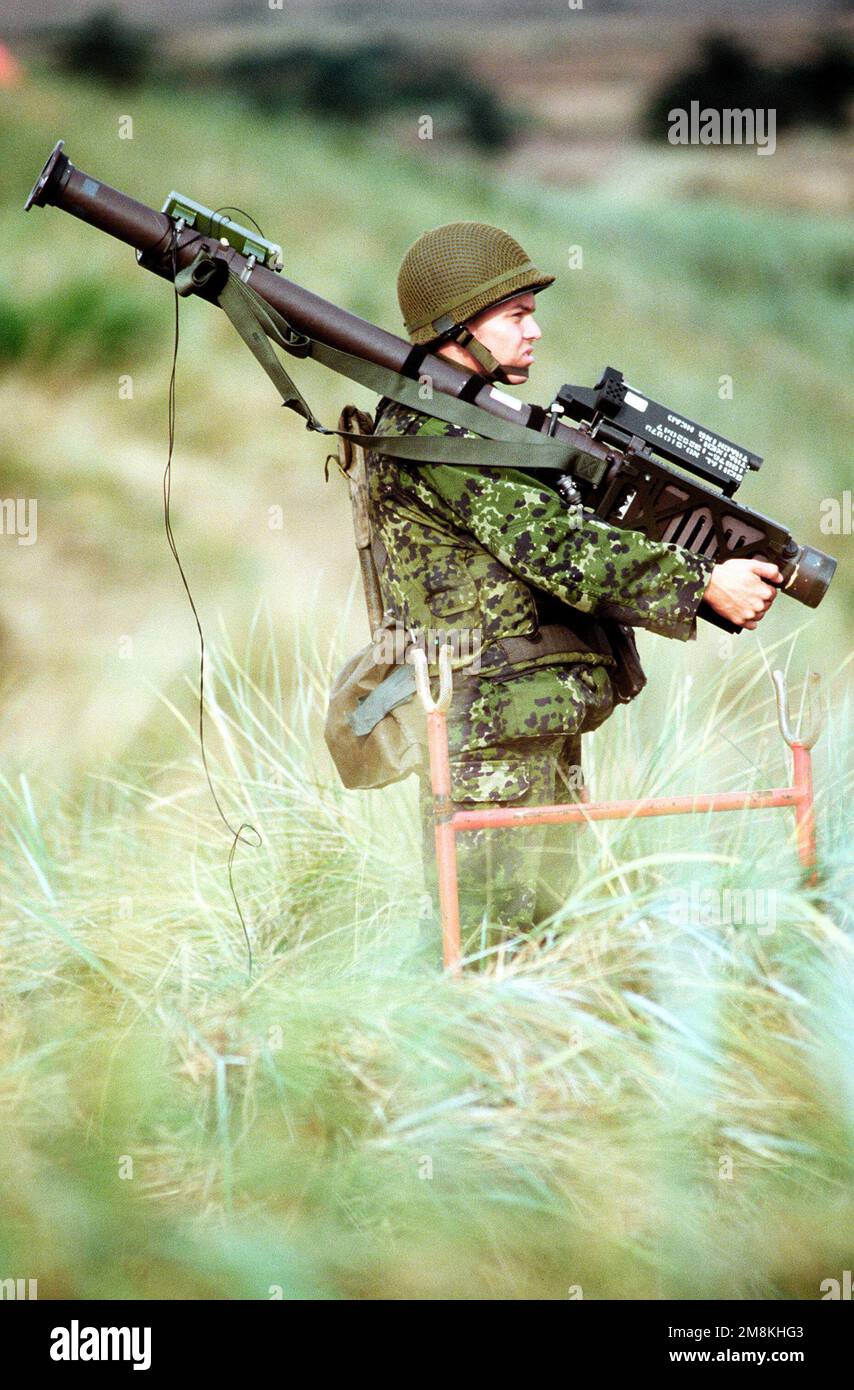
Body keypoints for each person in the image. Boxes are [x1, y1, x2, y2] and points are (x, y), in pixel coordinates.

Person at [366, 222, 781, 956]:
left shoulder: (480, 423)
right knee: (495, 948)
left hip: (521, 718)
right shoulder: (442, 431)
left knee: (547, 946)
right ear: (455, 326)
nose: (535, 331)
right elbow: (557, 548)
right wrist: (700, 584)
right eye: (515, 315)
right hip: (487, 730)